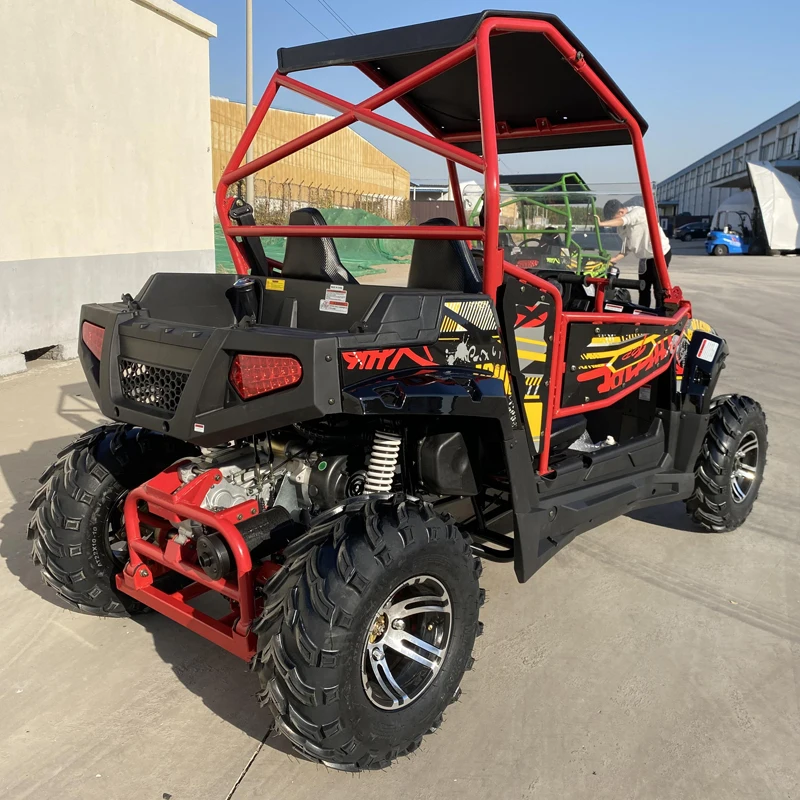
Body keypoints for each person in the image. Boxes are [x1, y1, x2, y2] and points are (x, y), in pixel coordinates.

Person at [597, 200, 671, 307]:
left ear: (621, 212)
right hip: (644, 258)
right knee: (643, 288)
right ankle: (643, 315)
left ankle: (662, 318)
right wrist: (615, 259)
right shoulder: (620, 227)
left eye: (613, 219)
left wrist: (601, 224)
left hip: (659, 254)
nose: (613, 223)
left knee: (658, 290)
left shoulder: (638, 212)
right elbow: (627, 246)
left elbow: (624, 220)